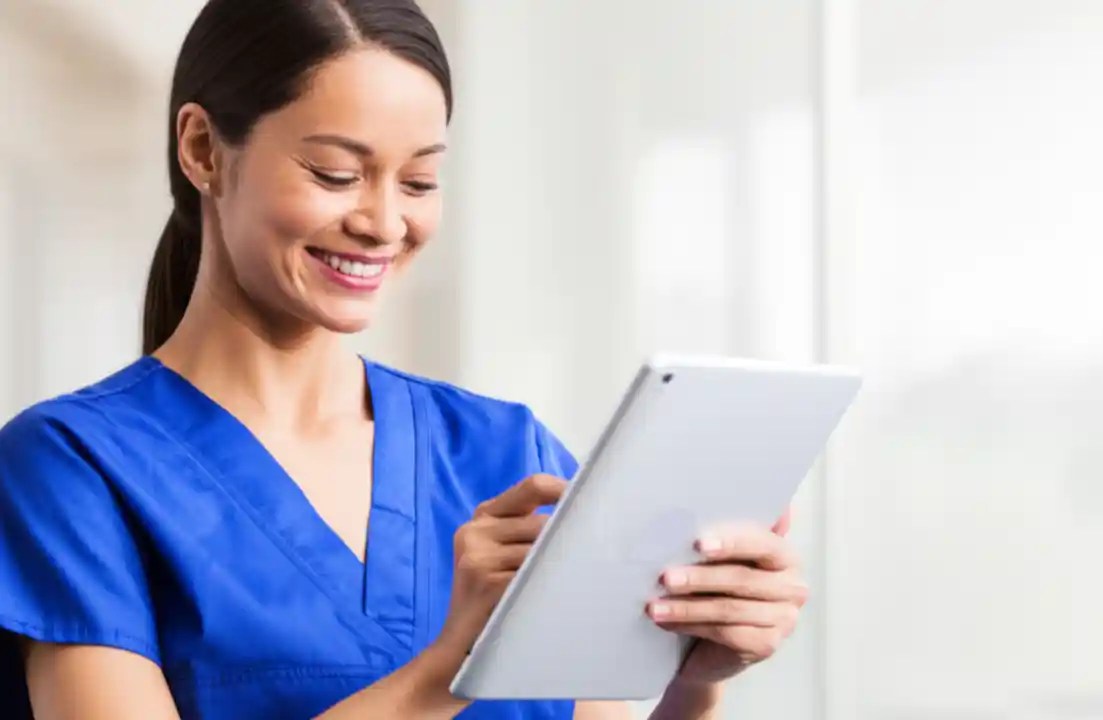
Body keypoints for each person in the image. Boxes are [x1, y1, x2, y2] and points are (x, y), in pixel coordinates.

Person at [0, 1, 809, 718]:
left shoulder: (506, 454)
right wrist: (445, 670)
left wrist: (696, 681)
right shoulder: (74, 468)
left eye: (419, 182)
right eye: (336, 173)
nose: (384, 222)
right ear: (205, 148)